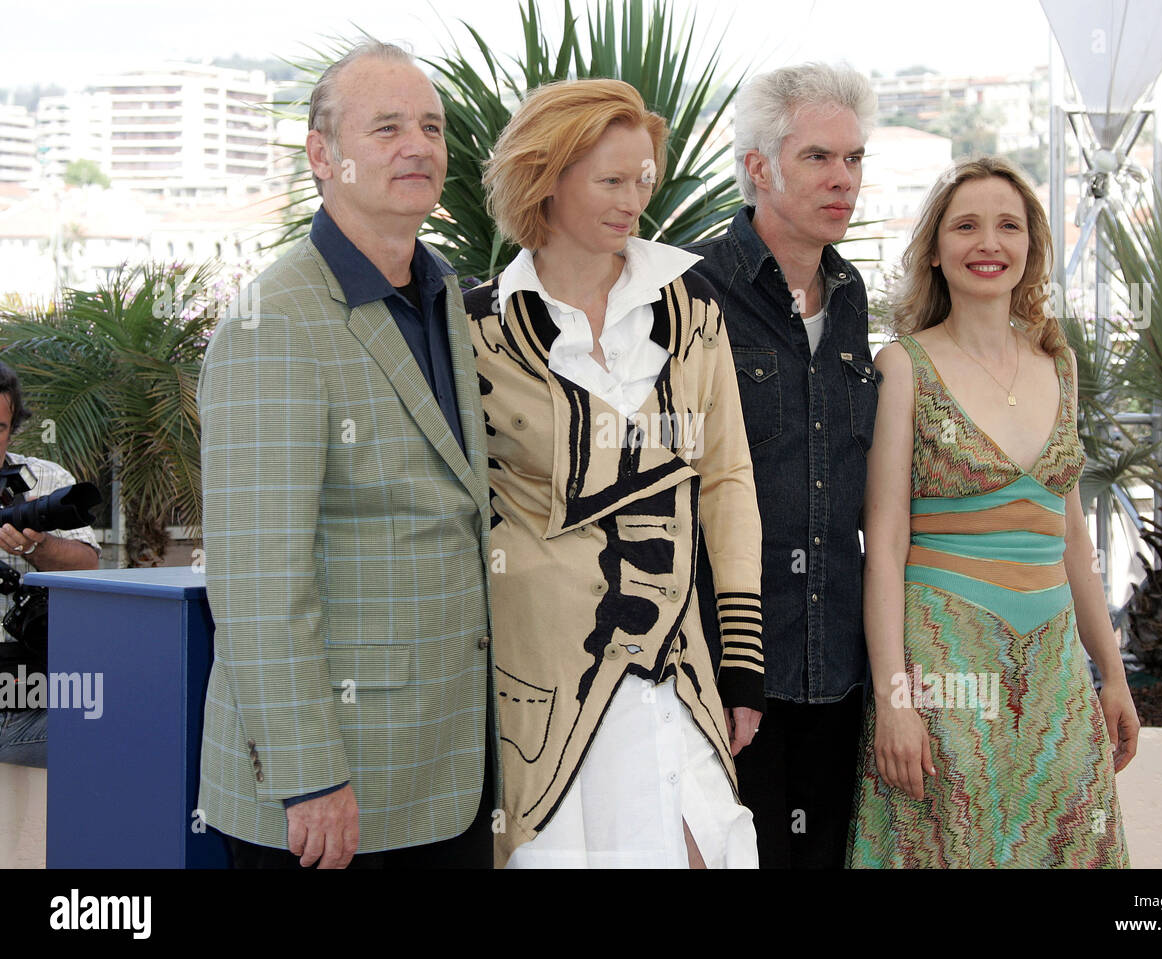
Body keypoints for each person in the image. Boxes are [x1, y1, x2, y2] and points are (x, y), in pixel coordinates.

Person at [197, 41, 495, 869]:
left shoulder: (445, 296)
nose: (419, 146)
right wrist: (309, 777)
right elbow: (258, 581)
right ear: (322, 156)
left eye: (432, 127)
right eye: (389, 126)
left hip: (447, 771)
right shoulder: (276, 325)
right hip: (332, 797)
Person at [463, 78, 764, 868]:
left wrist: (742, 659)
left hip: (679, 665)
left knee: (704, 844)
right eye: (611, 180)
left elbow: (727, 479)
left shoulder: (692, 309)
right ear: (547, 177)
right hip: (541, 684)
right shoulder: (477, 330)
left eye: (644, 181)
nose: (634, 200)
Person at [848, 156, 1138, 868]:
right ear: (937, 250)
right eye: (966, 225)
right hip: (942, 662)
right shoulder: (904, 366)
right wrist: (894, 700)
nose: (989, 243)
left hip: (1056, 672)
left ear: (1032, 246)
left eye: (1009, 226)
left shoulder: (1058, 363)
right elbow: (883, 545)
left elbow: (1072, 539)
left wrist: (1113, 673)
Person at [685, 64, 879, 869]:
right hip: (732, 672)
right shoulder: (691, 292)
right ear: (759, 167)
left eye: (856, 159)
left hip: (836, 666)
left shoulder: (852, 295)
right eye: (819, 158)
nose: (844, 180)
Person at [0, 361, 101, 767]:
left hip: (33, 680)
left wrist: (36, 546)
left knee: (117, 720)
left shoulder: (43, 478)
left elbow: (88, 564)